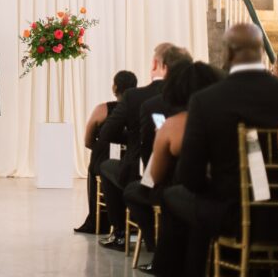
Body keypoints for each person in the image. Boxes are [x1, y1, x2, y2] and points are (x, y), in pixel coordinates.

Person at [161, 24, 278, 277]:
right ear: (261, 51)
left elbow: (190, 176)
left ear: (228, 53)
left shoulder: (207, 100)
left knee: (174, 196)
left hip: (233, 215)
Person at [124, 60, 222, 265]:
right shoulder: (224, 119)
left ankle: (155, 246)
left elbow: (154, 177)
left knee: (154, 193)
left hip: (191, 195)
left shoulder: (173, 125)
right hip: (225, 197)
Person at [97, 42, 179, 250]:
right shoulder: (187, 97)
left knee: (106, 167)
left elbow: (107, 133)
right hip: (178, 173)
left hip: (141, 171)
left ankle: (119, 231)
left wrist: (132, 138)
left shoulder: (134, 96)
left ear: (154, 65)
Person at [74, 69, 138, 234]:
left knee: (97, 167)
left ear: (115, 87)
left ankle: (98, 221)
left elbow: (88, 140)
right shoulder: (141, 109)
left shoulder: (103, 109)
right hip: (133, 163)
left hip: (104, 162)